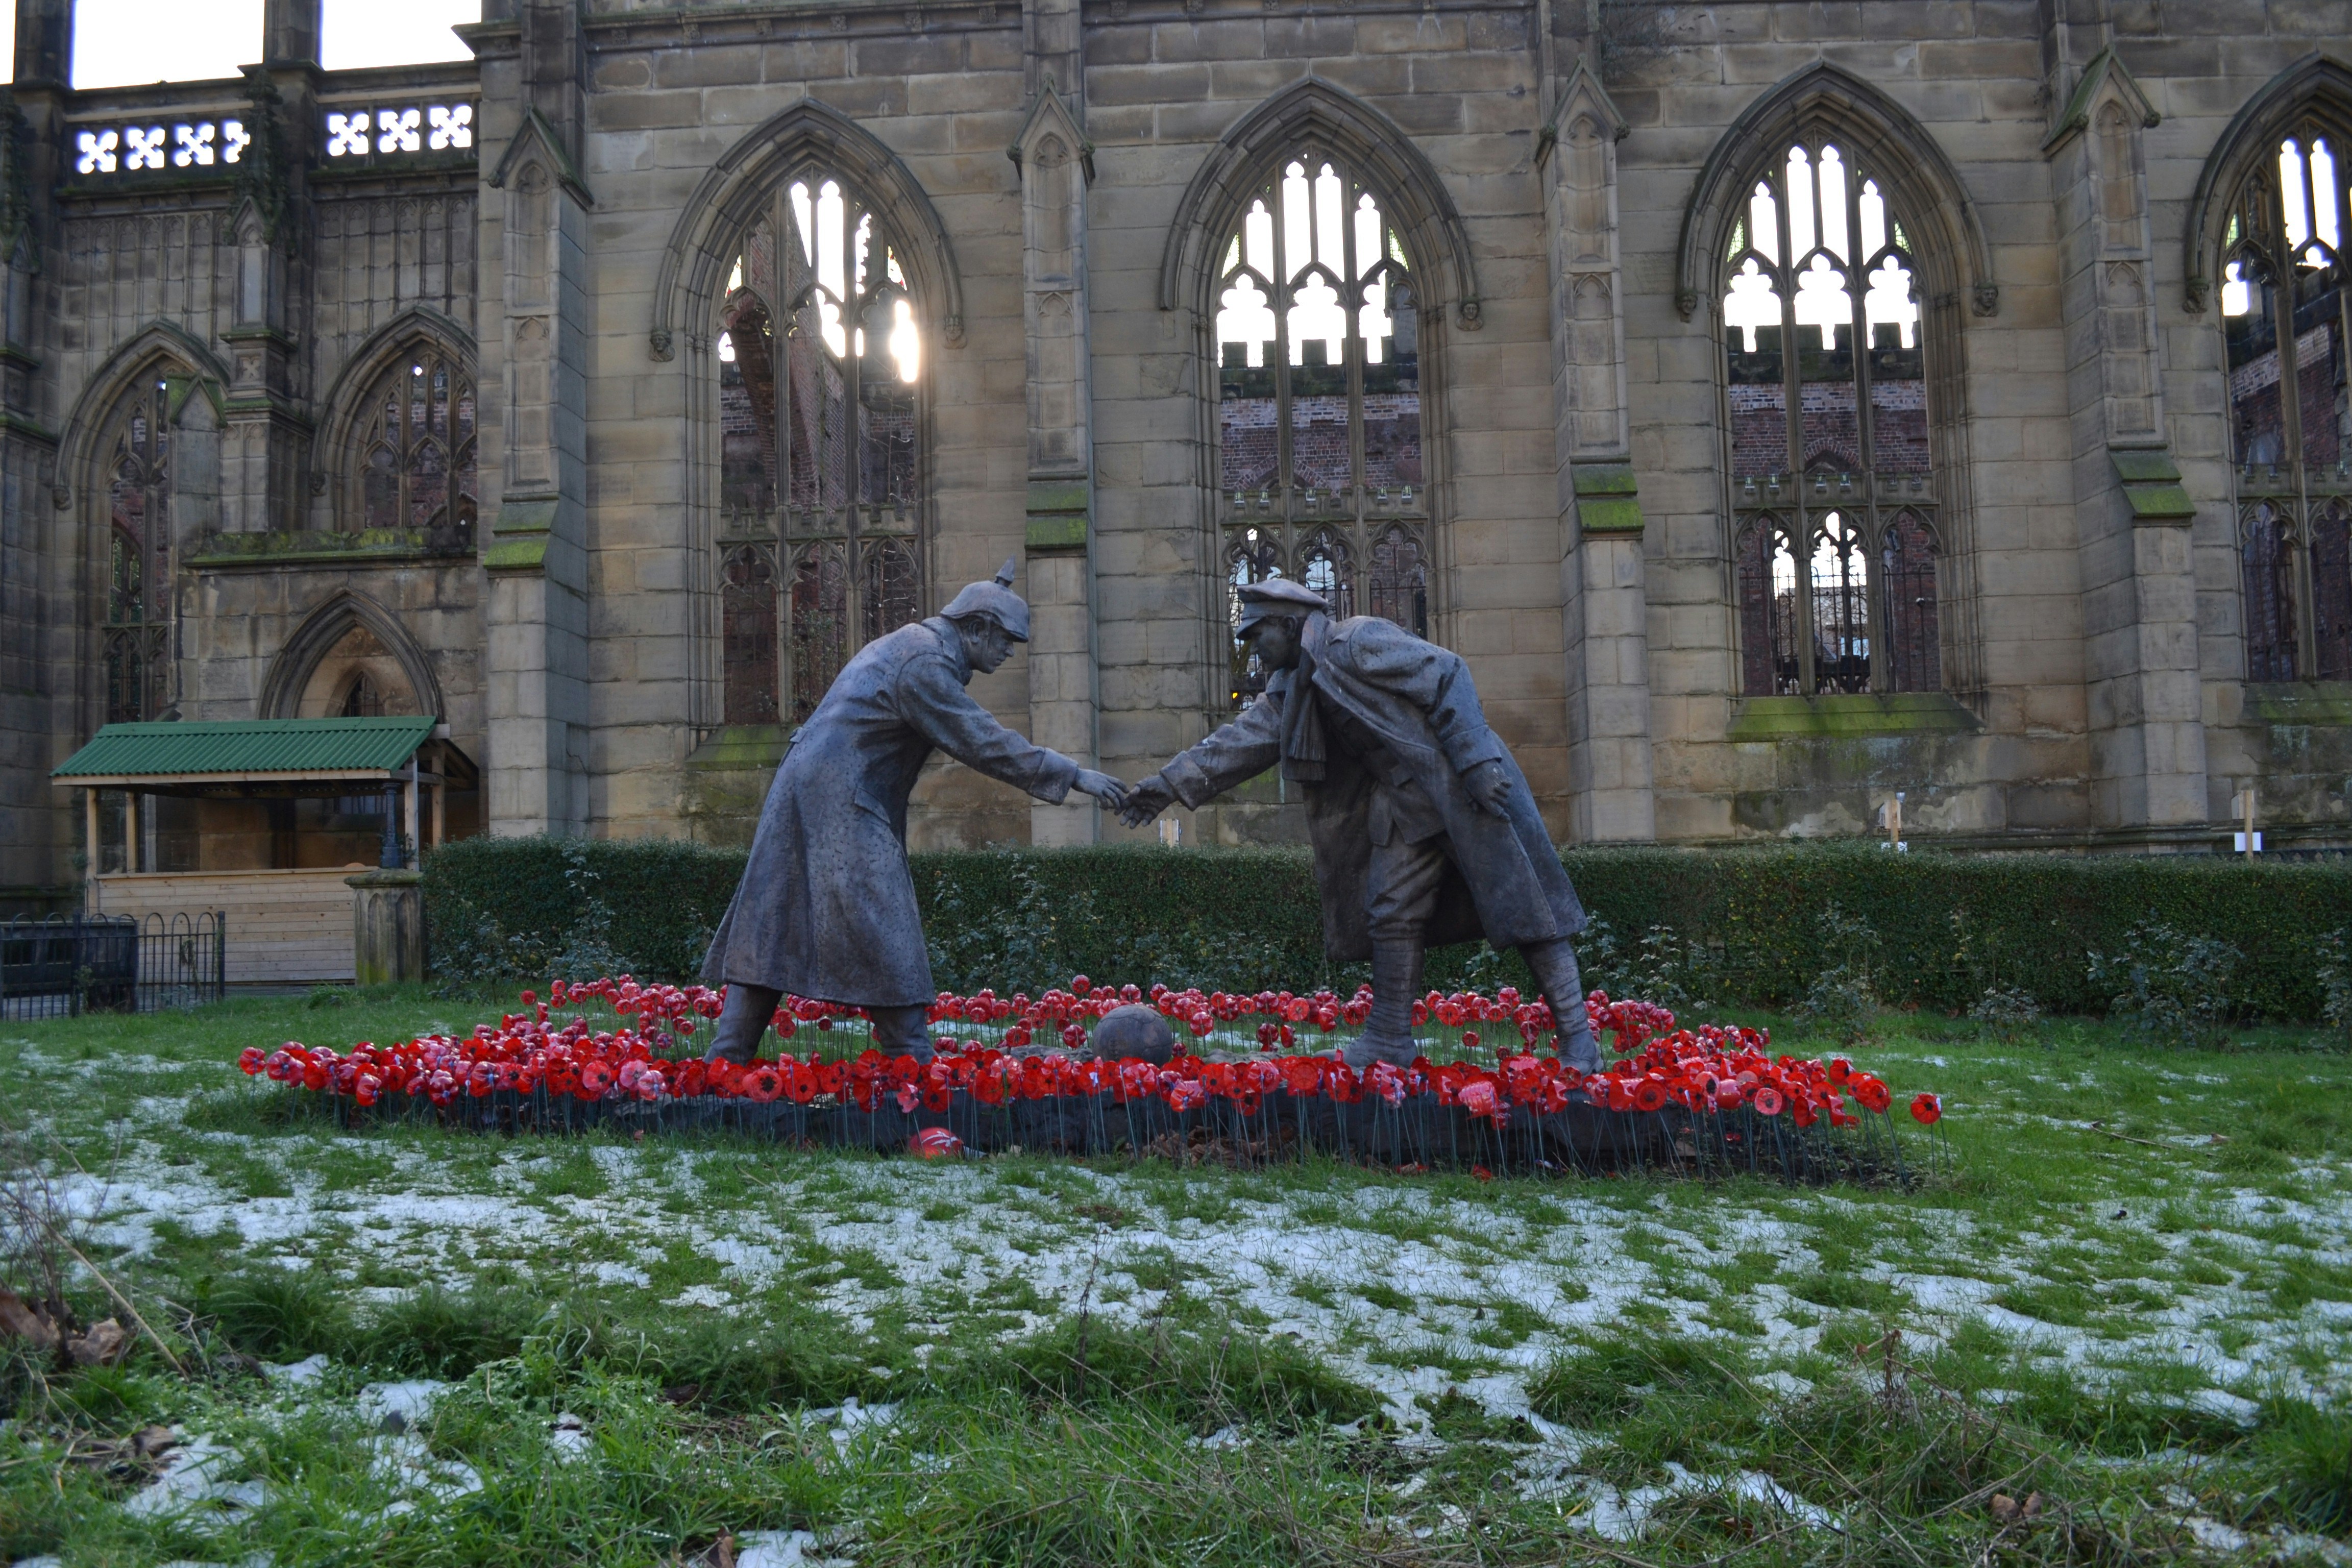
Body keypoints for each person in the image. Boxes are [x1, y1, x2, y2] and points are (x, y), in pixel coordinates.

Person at [1118, 579, 1600, 1072]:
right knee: (1389, 912)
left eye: (1258, 635)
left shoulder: (1357, 641)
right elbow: (1238, 743)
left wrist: (1476, 762)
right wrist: (1165, 786)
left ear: (1288, 625)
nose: (1254, 650)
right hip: (1402, 804)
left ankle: (1579, 1041)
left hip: (1461, 787)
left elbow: (1449, 672)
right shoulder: (1293, 684)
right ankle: (1390, 1039)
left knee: (1526, 910)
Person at [700, 560, 1128, 1064]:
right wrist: (1074, 774)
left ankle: (726, 1061)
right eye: (1006, 639)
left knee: (774, 922)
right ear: (976, 628)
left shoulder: (910, 644)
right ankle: (914, 1062)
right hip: (841, 801)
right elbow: (980, 738)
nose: (1010, 652)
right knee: (887, 926)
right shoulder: (923, 662)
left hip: (809, 793)